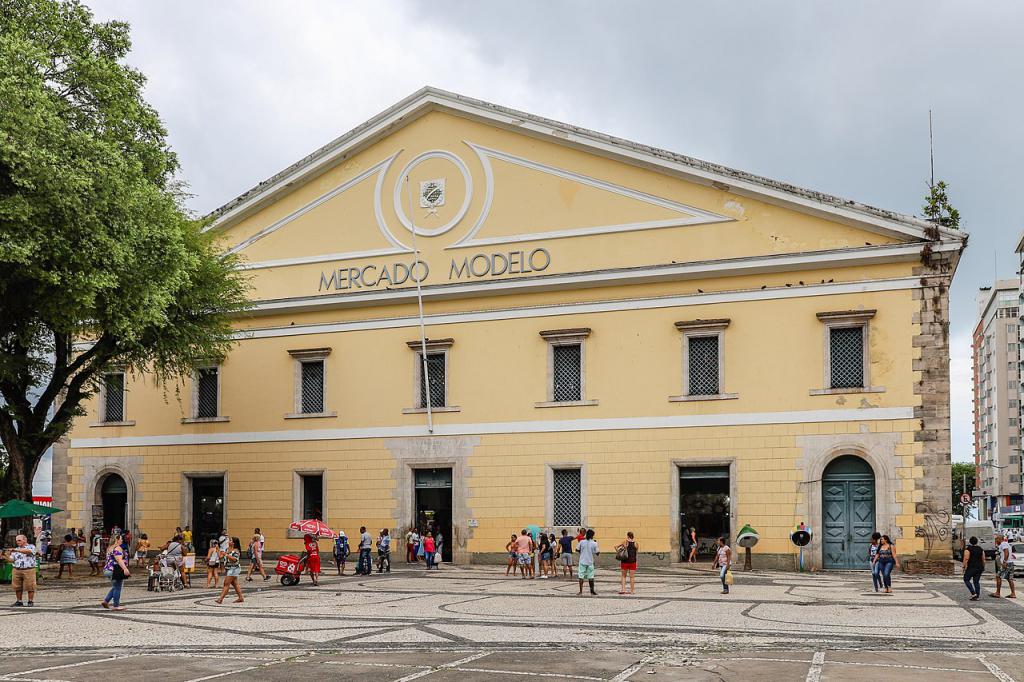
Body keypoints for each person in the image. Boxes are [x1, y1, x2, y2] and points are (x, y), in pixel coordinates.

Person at [100, 532, 130, 611]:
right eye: (120, 539)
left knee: (115, 587)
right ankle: (116, 605)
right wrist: (125, 568)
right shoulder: (117, 548)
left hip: (107, 570)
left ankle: (106, 601)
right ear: (117, 540)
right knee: (118, 588)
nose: (122, 540)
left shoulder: (110, 547)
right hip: (115, 570)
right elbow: (119, 560)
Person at [7, 534, 37, 607]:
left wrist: (15, 550)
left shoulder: (31, 546)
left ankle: (30, 601)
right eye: (17, 541)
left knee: (30, 586)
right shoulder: (15, 549)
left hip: (28, 569)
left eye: (19, 540)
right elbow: (11, 560)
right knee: (17, 586)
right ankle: (19, 601)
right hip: (16, 569)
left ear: (25, 540)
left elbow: (28, 552)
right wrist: (5, 556)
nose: (17, 542)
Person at [215, 537, 244, 604]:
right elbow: (220, 556)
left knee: (226, 583)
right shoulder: (227, 549)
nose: (229, 541)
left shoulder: (236, 550)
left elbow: (234, 559)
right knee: (235, 584)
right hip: (229, 569)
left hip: (234, 569)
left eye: (230, 540)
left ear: (233, 543)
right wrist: (217, 549)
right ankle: (240, 597)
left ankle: (220, 599)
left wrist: (226, 555)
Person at [992, 533, 1018, 599]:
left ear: (1000, 539)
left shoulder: (1003, 544)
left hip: (1006, 563)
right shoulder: (1006, 544)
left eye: (996, 538)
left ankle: (997, 593)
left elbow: (1006, 552)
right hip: (1010, 563)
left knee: (998, 576)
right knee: (1010, 579)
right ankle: (1013, 593)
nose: (995, 540)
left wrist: (1004, 562)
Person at [962, 536, 985, 601]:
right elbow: (983, 559)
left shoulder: (968, 549)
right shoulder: (981, 549)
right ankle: (977, 595)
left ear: (970, 542)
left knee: (966, 579)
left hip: (971, 567)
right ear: (977, 542)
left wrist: (964, 567)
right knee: (976, 582)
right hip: (979, 567)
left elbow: (966, 558)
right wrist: (983, 567)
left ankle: (973, 593)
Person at [577, 529, 599, 596]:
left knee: (581, 576)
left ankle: (580, 591)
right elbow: (597, 553)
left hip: (582, 561)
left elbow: (577, 549)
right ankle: (592, 591)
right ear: (592, 536)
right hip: (590, 561)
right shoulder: (594, 543)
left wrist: (582, 552)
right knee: (591, 577)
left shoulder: (581, 542)